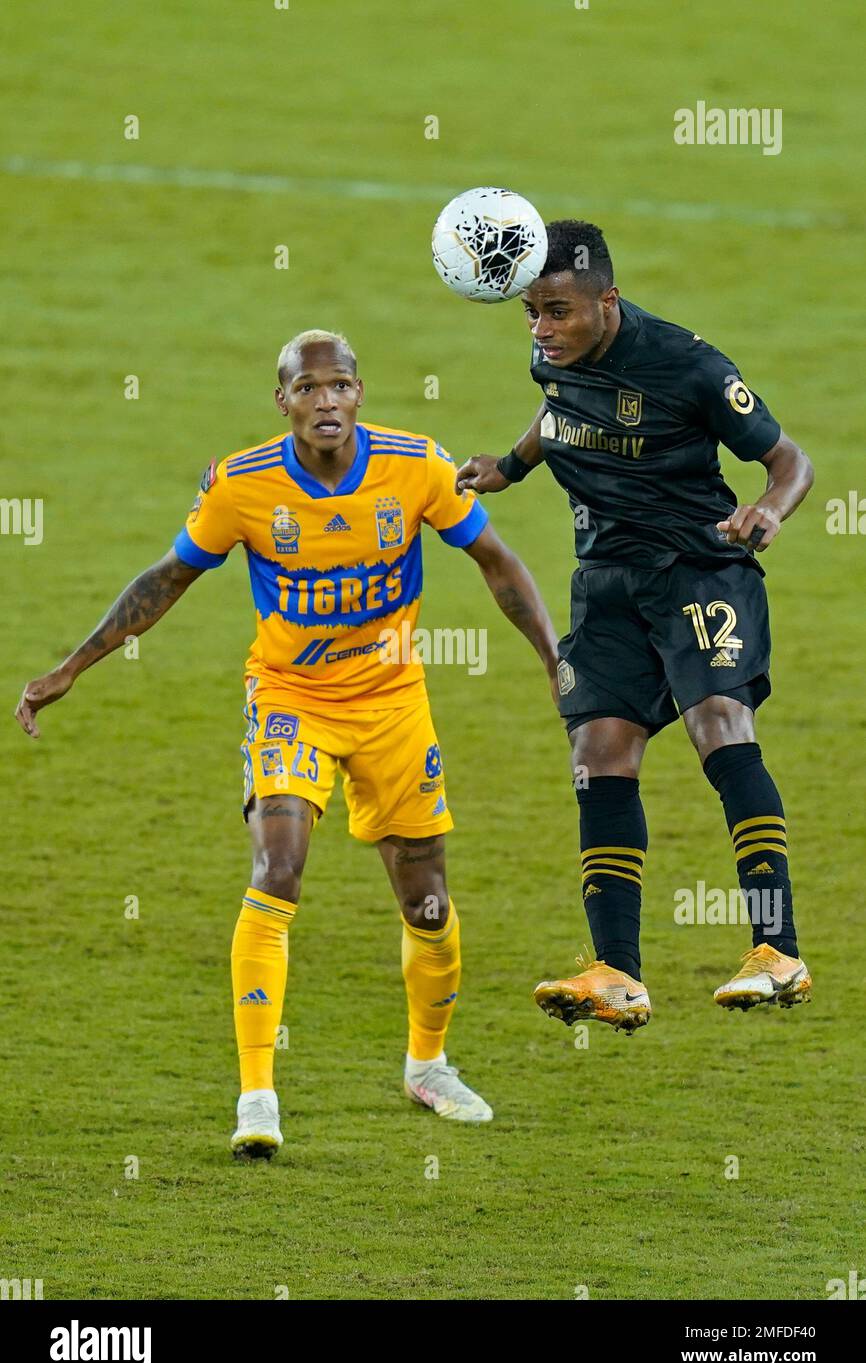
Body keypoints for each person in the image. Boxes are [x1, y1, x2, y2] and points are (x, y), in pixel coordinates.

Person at [16, 329, 560, 1154]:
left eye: (339, 385)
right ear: (283, 402)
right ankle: (257, 1096)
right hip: (290, 699)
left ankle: (427, 1065)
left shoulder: (415, 466)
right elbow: (167, 577)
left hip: (392, 704)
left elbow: (496, 558)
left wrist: (558, 663)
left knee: (429, 902)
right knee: (276, 869)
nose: (326, 401)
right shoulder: (243, 485)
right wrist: (72, 667)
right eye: (308, 389)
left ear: (360, 393)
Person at [456, 222, 814, 1034]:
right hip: (607, 584)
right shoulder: (552, 356)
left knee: (720, 728)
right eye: (530, 313)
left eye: (558, 311)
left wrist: (766, 511)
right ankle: (617, 972)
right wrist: (506, 467)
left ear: (606, 303)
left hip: (698, 569)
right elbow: (557, 414)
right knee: (599, 754)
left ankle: (778, 949)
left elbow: (792, 461)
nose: (542, 328)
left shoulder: (689, 365)